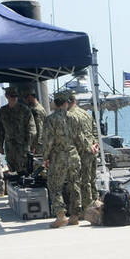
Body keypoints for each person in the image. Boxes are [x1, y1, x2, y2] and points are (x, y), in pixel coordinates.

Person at [42, 90, 83, 227]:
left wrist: (45, 157)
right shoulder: (74, 118)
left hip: (58, 157)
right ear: (67, 103)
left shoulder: (50, 119)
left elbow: (48, 142)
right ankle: (75, 215)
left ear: (55, 103)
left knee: (55, 186)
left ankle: (60, 216)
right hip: (73, 155)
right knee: (75, 185)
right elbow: (80, 139)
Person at [68, 96, 101, 212]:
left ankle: (87, 209)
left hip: (82, 152)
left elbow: (78, 135)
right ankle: (96, 204)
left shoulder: (70, 116)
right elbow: (95, 130)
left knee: (83, 181)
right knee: (92, 180)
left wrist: (89, 147)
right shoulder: (85, 113)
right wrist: (96, 145)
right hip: (92, 151)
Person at [0, 87, 37, 177]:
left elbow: (32, 129)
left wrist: (30, 144)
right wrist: (0, 146)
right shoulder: (2, 111)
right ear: (7, 96)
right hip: (9, 147)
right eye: (12, 96)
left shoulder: (24, 110)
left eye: (16, 96)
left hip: (22, 147)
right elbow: (0, 130)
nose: (14, 98)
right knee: (12, 171)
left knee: (24, 171)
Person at [23, 90, 48, 161]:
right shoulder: (35, 109)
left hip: (38, 144)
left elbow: (39, 129)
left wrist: (34, 145)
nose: (24, 100)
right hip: (38, 143)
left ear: (30, 97)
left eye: (25, 98)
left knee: (39, 166)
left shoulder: (37, 111)